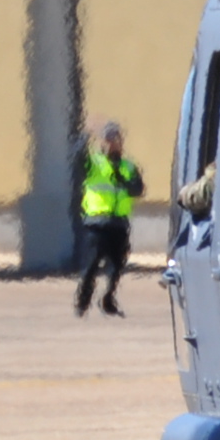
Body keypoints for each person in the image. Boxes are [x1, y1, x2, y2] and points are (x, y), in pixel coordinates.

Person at [72, 122, 143, 318]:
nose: (113, 142)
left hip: (119, 223)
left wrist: (124, 180)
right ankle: (82, 301)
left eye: (116, 138)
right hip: (96, 222)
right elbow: (76, 157)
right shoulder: (94, 163)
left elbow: (137, 190)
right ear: (102, 141)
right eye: (109, 138)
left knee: (117, 266)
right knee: (91, 265)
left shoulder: (128, 166)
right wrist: (86, 135)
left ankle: (108, 299)